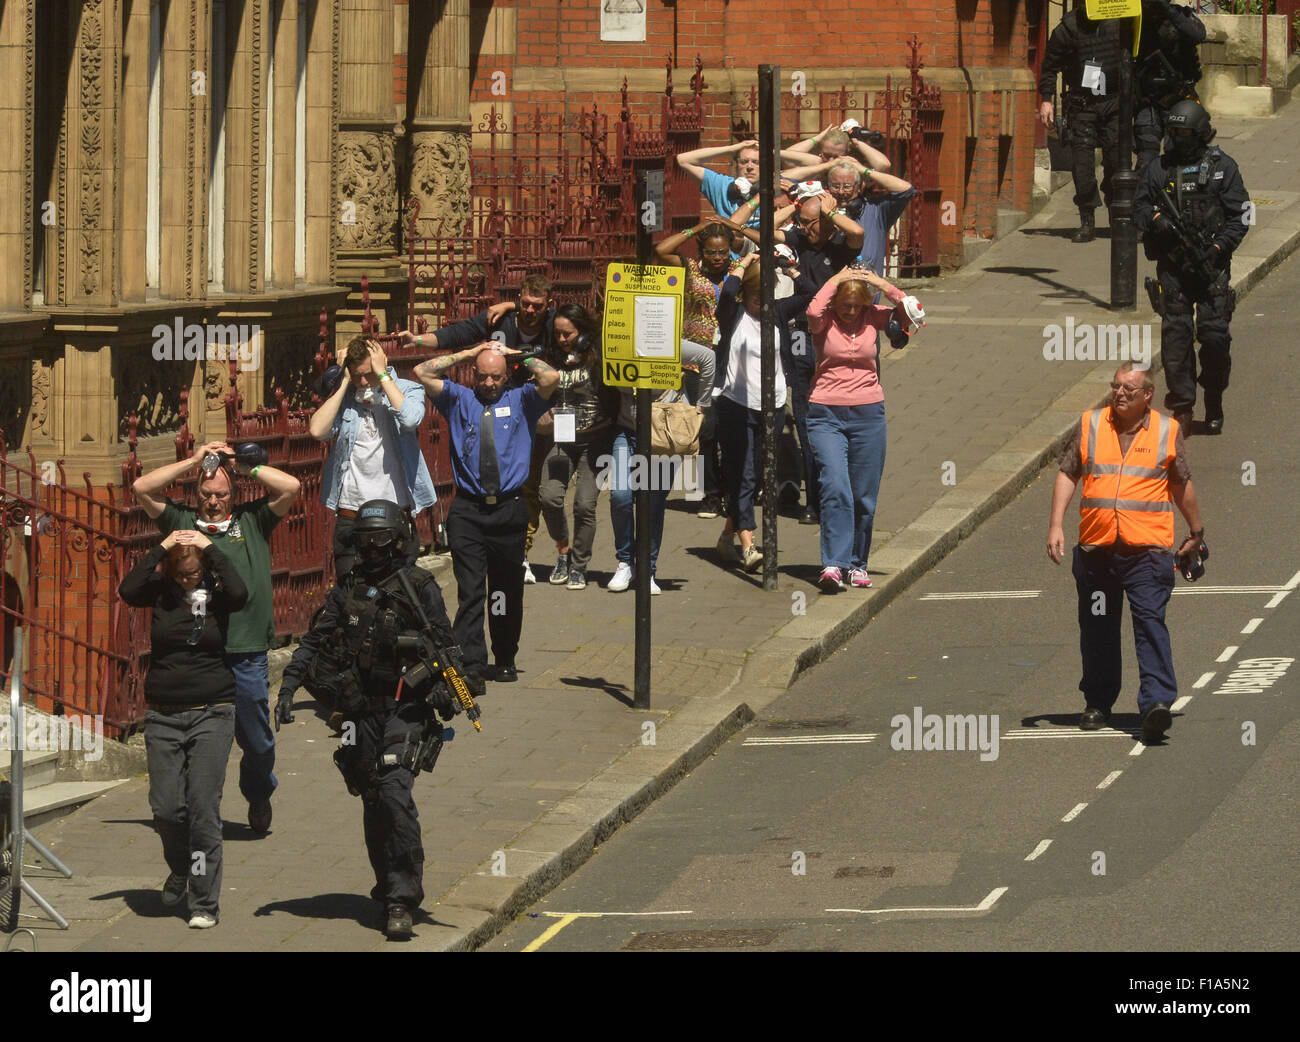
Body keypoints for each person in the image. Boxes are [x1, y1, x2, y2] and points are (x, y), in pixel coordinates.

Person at [275, 501, 467, 940]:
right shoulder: (348, 589)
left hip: (407, 709)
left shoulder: (419, 588)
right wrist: (288, 686)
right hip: (359, 712)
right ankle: (385, 886)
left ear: (398, 541)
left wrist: (451, 691)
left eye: (381, 541)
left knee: (395, 791)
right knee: (374, 800)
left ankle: (403, 897)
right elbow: (314, 640)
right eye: (365, 543)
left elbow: (449, 650)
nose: (373, 551)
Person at [133, 440, 301, 834]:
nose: (213, 501)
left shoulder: (253, 520)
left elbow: (291, 487)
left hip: (245, 650)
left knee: (256, 740)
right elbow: (141, 488)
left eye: (221, 493)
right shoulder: (180, 523)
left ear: (233, 494)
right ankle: (196, 813)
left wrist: (242, 466)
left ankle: (258, 793)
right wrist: (193, 461)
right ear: (197, 495)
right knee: (200, 741)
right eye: (207, 494)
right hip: (199, 655)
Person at [1046, 363, 1205, 744]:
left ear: (1147, 395)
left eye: (1128, 390)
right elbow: (1068, 473)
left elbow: (1181, 483)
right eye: (1116, 387)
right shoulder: (1091, 424)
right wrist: (1056, 524)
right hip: (1098, 551)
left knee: (1150, 621)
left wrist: (1196, 531)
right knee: (1098, 627)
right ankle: (1098, 703)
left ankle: (1156, 704)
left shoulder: (1167, 431)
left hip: (1146, 553)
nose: (1119, 394)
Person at [118, 529, 248, 928]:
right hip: (163, 714)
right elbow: (127, 588)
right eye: (182, 574)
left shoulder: (219, 590)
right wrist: (163, 547)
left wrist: (211, 548)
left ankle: (204, 903)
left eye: (194, 573)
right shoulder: (160, 588)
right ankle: (181, 867)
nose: (188, 580)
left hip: (213, 710)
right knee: (167, 809)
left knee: (203, 808)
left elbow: (242, 593)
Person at [412, 342, 559, 691]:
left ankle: (505, 656)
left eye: (496, 377)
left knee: (505, 590)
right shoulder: (459, 399)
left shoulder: (522, 399)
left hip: (509, 509)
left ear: (505, 375)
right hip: (469, 510)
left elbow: (550, 376)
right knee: (471, 590)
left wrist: (517, 355)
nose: (490, 383)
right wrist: (470, 352)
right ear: (474, 375)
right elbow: (422, 372)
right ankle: (471, 666)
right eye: (483, 376)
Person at [401, 274, 555, 583]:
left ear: (547, 306)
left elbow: (553, 375)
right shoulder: (501, 321)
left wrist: (517, 356)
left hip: (534, 406)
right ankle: (518, 555)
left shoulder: (553, 323)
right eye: (523, 303)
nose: (529, 310)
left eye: (536, 306)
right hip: (494, 410)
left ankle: (529, 550)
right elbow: (457, 333)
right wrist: (418, 340)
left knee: (536, 488)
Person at [1133, 98, 1249, 434]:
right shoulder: (1159, 168)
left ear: (1200, 133)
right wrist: (1156, 220)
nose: (1178, 139)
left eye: (1185, 132)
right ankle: (1182, 406)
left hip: (1211, 269)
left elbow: (1241, 216)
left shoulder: (1222, 168)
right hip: (1173, 268)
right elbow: (1138, 205)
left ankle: (1213, 398)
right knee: (1177, 339)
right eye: (1174, 132)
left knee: (1214, 339)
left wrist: (1217, 248)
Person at [805, 265, 913, 591]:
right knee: (836, 487)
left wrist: (877, 282)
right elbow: (812, 308)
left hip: (868, 414)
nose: (851, 312)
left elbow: (910, 311)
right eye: (844, 306)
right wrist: (837, 280)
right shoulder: (822, 321)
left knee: (863, 495)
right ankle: (833, 565)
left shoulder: (872, 317)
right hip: (825, 413)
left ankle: (856, 563)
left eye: (856, 306)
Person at [713, 254, 812, 572]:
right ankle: (749, 546)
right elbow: (727, 293)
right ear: (746, 295)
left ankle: (727, 536)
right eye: (757, 297)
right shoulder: (733, 314)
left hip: (772, 407)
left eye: (767, 297)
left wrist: (789, 268)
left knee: (754, 476)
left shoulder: (779, 313)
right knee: (744, 474)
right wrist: (744, 262)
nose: (763, 304)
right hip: (735, 405)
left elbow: (812, 294)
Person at [310, 335, 436, 580]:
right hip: (352, 513)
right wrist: (345, 382)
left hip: (395, 513)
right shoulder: (346, 398)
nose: (364, 382)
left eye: (369, 374)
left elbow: (410, 419)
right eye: (358, 375)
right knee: (351, 596)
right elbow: (317, 431)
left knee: (402, 593)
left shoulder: (408, 389)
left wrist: (384, 377)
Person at [605, 341, 716, 594]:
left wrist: (701, 405)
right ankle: (625, 561)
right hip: (628, 430)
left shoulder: (666, 341)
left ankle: (647, 569)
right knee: (620, 495)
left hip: (665, 434)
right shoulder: (616, 341)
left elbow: (707, 358)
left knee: (654, 503)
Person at [654, 218, 735, 520]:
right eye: (712, 252)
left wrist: (736, 232)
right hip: (694, 361)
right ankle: (710, 495)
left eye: (723, 252)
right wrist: (694, 230)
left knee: (729, 429)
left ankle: (730, 491)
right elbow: (661, 250)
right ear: (703, 250)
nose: (718, 258)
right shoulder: (689, 269)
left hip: (729, 358)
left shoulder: (737, 271)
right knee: (704, 427)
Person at [537, 304, 618, 591]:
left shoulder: (599, 356)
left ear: (582, 333)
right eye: (557, 334)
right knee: (549, 497)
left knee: (584, 504)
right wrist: (542, 417)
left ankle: (580, 566)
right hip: (562, 439)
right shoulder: (550, 358)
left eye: (568, 334)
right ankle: (563, 552)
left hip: (595, 441)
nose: (562, 339)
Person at [1037, 4, 1124, 243]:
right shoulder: (1069, 27)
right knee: (1082, 167)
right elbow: (1050, 66)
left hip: (1114, 102)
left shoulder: (1120, 19)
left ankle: (1119, 218)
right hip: (1083, 104)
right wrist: (1046, 100)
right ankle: (1087, 220)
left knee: (1117, 164)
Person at [1135, 0, 1206, 175]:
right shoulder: (1137, 20)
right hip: (1148, 99)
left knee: (1179, 156)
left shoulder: (1178, 15)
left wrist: (1169, 12)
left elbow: (1198, 34)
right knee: (1146, 157)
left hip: (1178, 98)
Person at [674, 138, 763, 226]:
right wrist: (731, 149)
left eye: (756, 162)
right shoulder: (722, 185)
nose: (749, 166)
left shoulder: (773, 189)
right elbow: (682, 160)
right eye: (744, 162)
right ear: (737, 164)